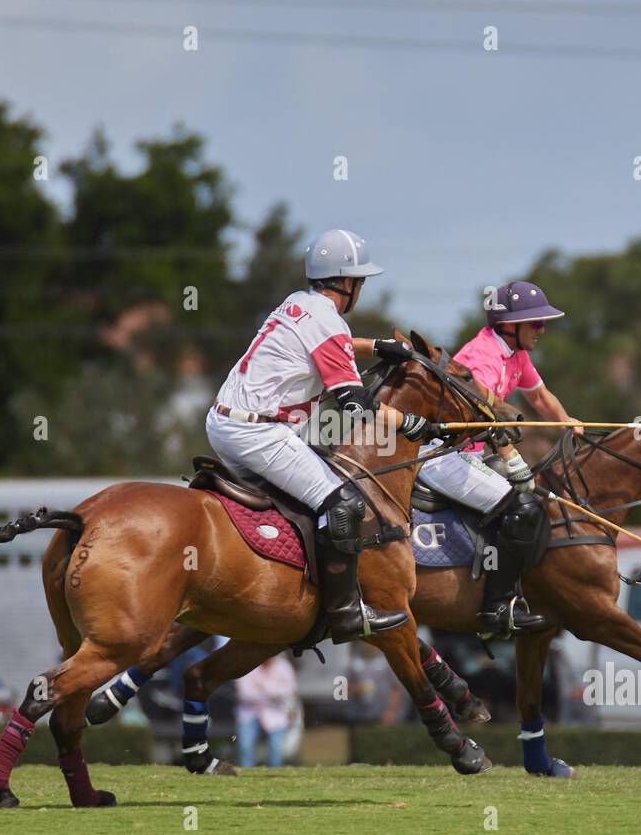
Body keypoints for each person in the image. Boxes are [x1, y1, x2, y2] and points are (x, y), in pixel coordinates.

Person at [205, 228, 437, 642]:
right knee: (344, 504)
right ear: (347, 283)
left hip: (224, 424)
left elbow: (335, 341)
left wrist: (379, 346)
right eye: (360, 282)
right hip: (258, 435)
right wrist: (411, 424)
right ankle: (347, 612)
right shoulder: (329, 324)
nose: (360, 289)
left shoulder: (296, 304)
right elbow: (356, 405)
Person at [417, 281, 582, 637]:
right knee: (522, 507)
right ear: (510, 325)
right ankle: (496, 607)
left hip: (470, 454)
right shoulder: (482, 357)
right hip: (442, 454)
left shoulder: (517, 354)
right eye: (535, 322)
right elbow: (485, 415)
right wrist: (512, 458)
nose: (542, 329)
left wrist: (569, 423)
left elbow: (540, 398)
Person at [235, 655, 299, 767]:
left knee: (276, 748)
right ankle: (246, 775)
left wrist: (262, 689)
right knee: (245, 746)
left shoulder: (283, 666)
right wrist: (273, 692)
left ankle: (274, 776)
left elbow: (289, 690)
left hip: (276, 713)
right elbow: (244, 693)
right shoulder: (247, 665)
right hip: (249, 713)